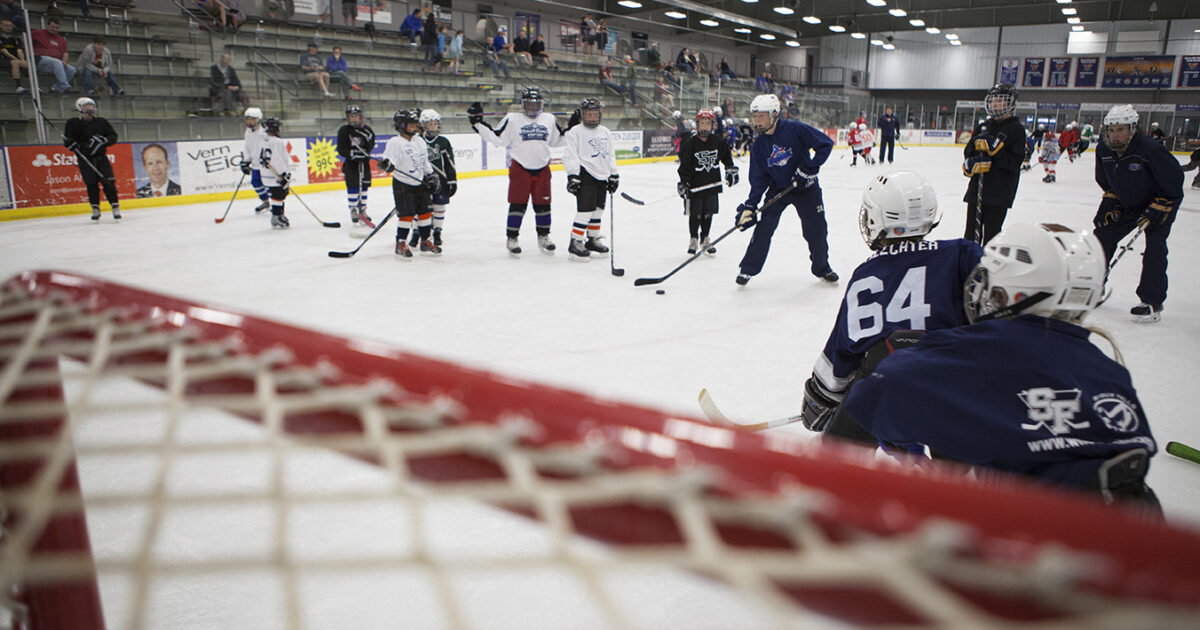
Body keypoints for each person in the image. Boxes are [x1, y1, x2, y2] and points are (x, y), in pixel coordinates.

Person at [841, 222, 1160, 512]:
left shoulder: (974, 351)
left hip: (1046, 541)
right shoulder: (1112, 371)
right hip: (1137, 531)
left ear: (1010, 290)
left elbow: (873, 397)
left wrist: (898, 436)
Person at [800, 171, 983, 443]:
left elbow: (843, 350)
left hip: (885, 391)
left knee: (838, 462)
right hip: (953, 389)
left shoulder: (867, 275)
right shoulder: (963, 254)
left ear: (876, 219)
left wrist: (822, 397)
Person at [1092, 104, 1184, 323]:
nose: (1115, 135)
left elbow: (1174, 181)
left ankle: (1152, 301)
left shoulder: (1150, 149)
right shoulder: (1103, 150)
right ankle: (1094, 287)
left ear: (1133, 129)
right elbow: (1106, 181)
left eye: (1121, 129)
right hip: (1127, 203)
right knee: (1102, 236)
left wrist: (1160, 205)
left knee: (1155, 246)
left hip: (1160, 202)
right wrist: (1111, 200)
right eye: (1111, 130)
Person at [734, 94, 836, 287]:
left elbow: (825, 144)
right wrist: (750, 205)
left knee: (817, 229)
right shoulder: (758, 146)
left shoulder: (795, 129)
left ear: (774, 114)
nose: (757, 121)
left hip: (806, 188)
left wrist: (810, 168)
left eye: (761, 116)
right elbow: (758, 180)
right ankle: (748, 269)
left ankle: (822, 268)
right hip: (779, 189)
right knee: (764, 227)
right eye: (755, 116)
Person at [468, 87, 564, 256]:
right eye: (529, 104)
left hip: (542, 169)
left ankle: (544, 236)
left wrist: (575, 126)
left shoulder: (549, 119)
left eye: (536, 105)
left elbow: (558, 140)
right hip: (520, 169)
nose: (532, 109)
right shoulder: (512, 119)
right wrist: (478, 123)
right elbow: (498, 137)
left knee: (543, 205)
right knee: (517, 204)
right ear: (522, 104)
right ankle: (512, 237)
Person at [961, 83, 1026, 245]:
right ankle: (969, 267)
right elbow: (968, 152)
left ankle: (989, 268)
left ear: (1010, 103)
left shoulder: (1016, 129)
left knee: (992, 236)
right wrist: (970, 163)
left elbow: (1015, 163)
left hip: (999, 193)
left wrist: (997, 152)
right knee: (970, 235)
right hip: (977, 190)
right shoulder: (983, 127)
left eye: (999, 100)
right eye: (992, 100)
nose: (994, 104)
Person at [378, 108, 440, 258]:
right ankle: (401, 243)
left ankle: (425, 241)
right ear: (401, 125)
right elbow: (388, 161)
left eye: (415, 124)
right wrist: (387, 165)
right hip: (402, 183)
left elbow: (425, 162)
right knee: (406, 215)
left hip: (420, 182)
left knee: (425, 213)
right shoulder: (395, 142)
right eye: (410, 124)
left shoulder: (420, 141)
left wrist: (431, 175)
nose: (414, 127)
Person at [562, 97, 617, 262]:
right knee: (585, 211)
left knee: (598, 210)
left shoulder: (605, 132)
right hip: (585, 175)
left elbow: (611, 154)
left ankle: (592, 240)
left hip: (603, 175)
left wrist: (614, 174)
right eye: (588, 114)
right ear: (582, 115)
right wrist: (573, 175)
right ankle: (576, 242)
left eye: (595, 114)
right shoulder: (575, 132)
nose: (592, 117)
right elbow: (570, 155)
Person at [677, 108, 736, 256]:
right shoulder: (691, 143)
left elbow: (727, 158)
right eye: (702, 123)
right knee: (695, 214)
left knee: (708, 214)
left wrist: (730, 170)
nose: (704, 126)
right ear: (697, 125)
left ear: (712, 125)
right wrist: (684, 183)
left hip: (712, 184)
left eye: (707, 123)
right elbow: (684, 166)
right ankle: (694, 239)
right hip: (695, 187)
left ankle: (705, 239)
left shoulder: (717, 141)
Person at [64, 97, 119, 221]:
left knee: (109, 181)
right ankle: (95, 208)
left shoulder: (101, 122)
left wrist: (105, 140)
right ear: (79, 108)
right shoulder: (72, 123)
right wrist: (72, 145)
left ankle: (115, 206)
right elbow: (68, 141)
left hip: (101, 158)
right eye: (86, 107)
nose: (90, 109)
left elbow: (112, 136)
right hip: (85, 159)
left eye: (92, 106)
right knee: (91, 184)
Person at [412, 109, 457, 248]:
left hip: (440, 180)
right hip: (422, 180)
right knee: (419, 207)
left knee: (439, 205)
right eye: (430, 124)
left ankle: (437, 231)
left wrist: (452, 180)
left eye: (435, 124)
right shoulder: (417, 141)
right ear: (424, 125)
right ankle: (416, 232)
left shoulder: (443, 142)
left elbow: (450, 162)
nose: (433, 127)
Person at [337, 104, 376, 228]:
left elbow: (370, 145)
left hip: (364, 163)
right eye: (351, 116)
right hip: (351, 164)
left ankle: (363, 209)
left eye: (356, 116)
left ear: (360, 117)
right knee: (353, 186)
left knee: (364, 186)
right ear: (348, 118)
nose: (354, 119)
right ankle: (354, 210)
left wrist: (367, 145)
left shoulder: (367, 130)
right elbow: (341, 148)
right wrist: (351, 154)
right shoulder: (344, 131)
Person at [254, 117, 292, 228]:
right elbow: (277, 160)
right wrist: (283, 174)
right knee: (278, 195)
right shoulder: (277, 142)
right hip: (276, 175)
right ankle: (276, 217)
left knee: (278, 195)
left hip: (266, 174)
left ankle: (280, 215)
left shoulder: (262, 141)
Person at [239, 107, 271, 214]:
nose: (249, 121)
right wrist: (246, 161)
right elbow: (247, 147)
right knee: (255, 182)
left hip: (265, 165)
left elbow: (271, 146)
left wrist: (269, 159)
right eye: (247, 119)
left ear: (258, 119)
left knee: (269, 184)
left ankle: (276, 204)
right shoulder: (248, 132)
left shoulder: (264, 132)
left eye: (252, 119)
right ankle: (265, 201)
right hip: (256, 165)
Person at [32, 18, 75, 93]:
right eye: (53, 27)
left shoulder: (61, 39)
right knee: (57, 62)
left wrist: (64, 61)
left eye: (57, 28)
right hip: (40, 59)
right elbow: (24, 39)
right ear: (47, 26)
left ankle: (56, 88)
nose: (55, 29)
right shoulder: (37, 33)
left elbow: (65, 53)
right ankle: (65, 86)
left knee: (72, 70)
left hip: (55, 63)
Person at [1, 17, 28, 94]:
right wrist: (19, 61)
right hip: (3, 59)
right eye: (6, 25)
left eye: (10, 26)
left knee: (27, 63)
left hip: (14, 59)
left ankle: (35, 86)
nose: (8, 28)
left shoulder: (15, 39)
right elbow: (4, 52)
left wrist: (22, 60)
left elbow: (19, 51)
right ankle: (18, 87)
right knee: (15, 63)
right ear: (1, 26)